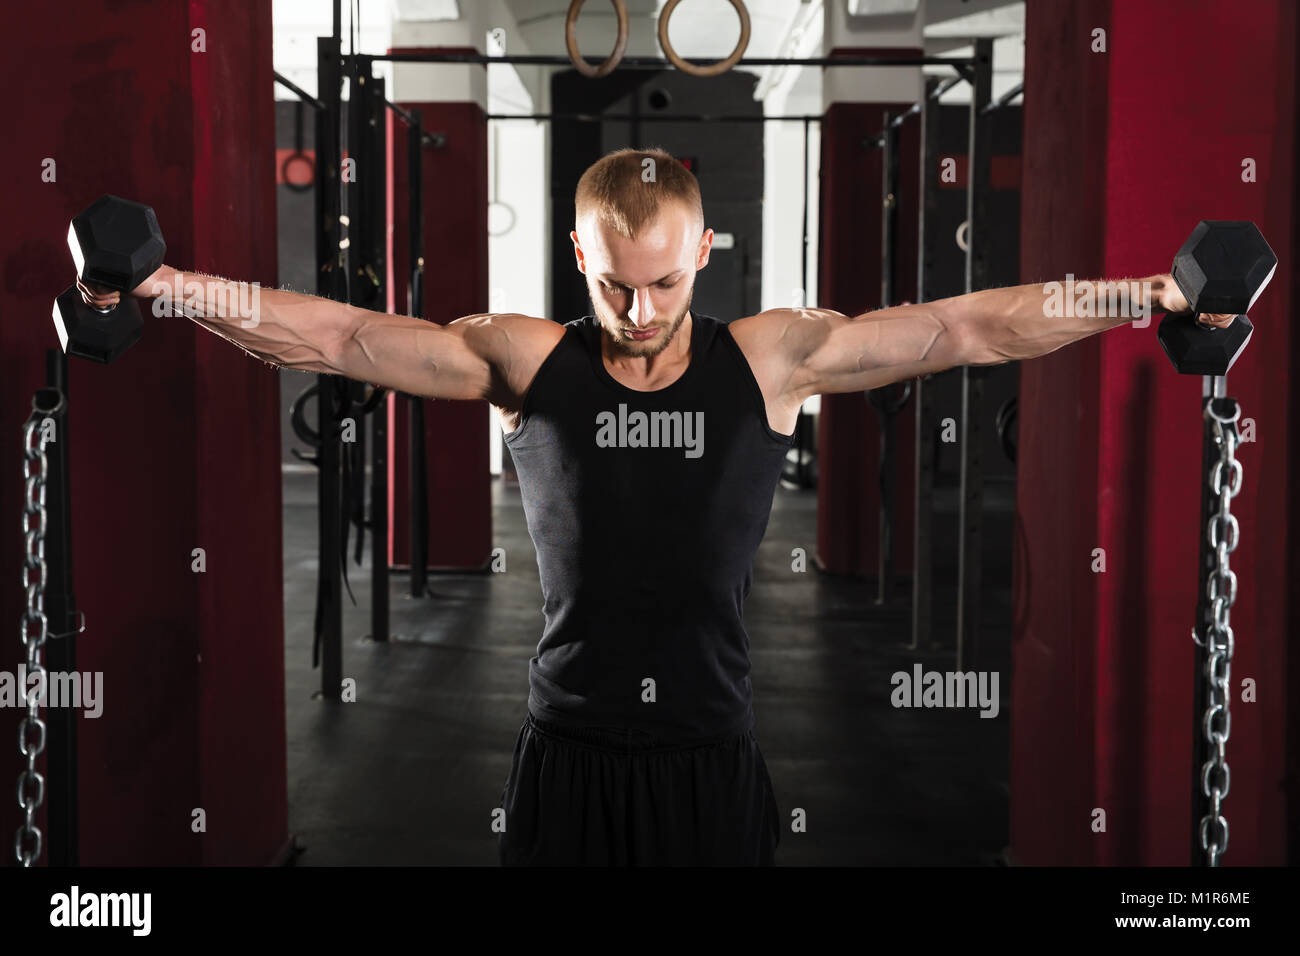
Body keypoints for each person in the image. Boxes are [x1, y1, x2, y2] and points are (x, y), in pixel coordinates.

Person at [81, 147, 1230, 866]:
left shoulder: (770, 359)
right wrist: (169, 288)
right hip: (564, 752)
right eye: (612, 280)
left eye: (667, 280)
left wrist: (1148, 295)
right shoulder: (526, 360)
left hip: (708, 753)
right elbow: (336, 334)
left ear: (706, 250)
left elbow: (967, 325)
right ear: (576, 250)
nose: (639, 309)